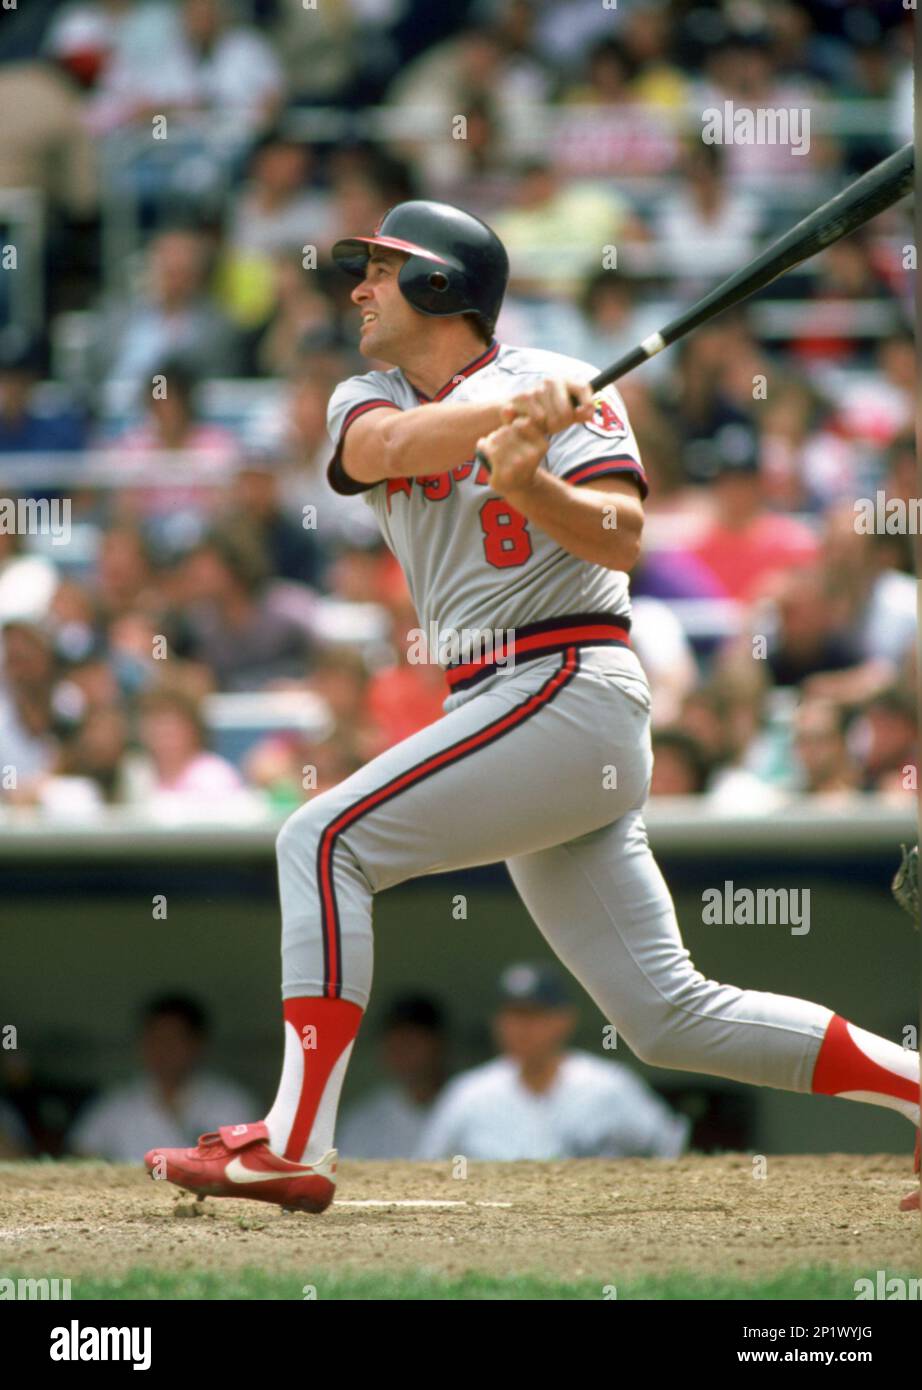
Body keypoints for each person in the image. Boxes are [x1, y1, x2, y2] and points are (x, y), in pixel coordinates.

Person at [145, 200, 920, 1215]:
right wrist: (510, 424)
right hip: (508, 711)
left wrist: (533, 485)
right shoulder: (369, 394)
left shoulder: (560, 388)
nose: (357, 288)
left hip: (565, 685)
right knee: (665, 1014)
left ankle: (292, 1140)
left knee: (321, 839)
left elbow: (620, 536)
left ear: (440, 286)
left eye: (379, 269)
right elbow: (390, 449)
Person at [417, 965, 687, 1161]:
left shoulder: (608, 1085)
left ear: (563, 1019)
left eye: (533, 1015)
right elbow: (429, 1167)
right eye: (511, 1015)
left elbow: (667, 1149)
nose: (520, 1028)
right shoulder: (468, 1093)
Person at [69, 995, 256, 1164]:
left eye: (173, 1040)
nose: (163, 1051)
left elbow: (245, 1166)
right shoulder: (116, 1104)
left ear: (197, 1044)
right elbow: (81, 1155)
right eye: (155, 1039)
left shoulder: (231, 1103)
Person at [337, 995, 448, 1160]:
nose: (403, 1050)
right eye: (396, 1041)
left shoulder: (467, 1104)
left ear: (439, 1043)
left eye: (413, 1040)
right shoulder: (363, 1121)